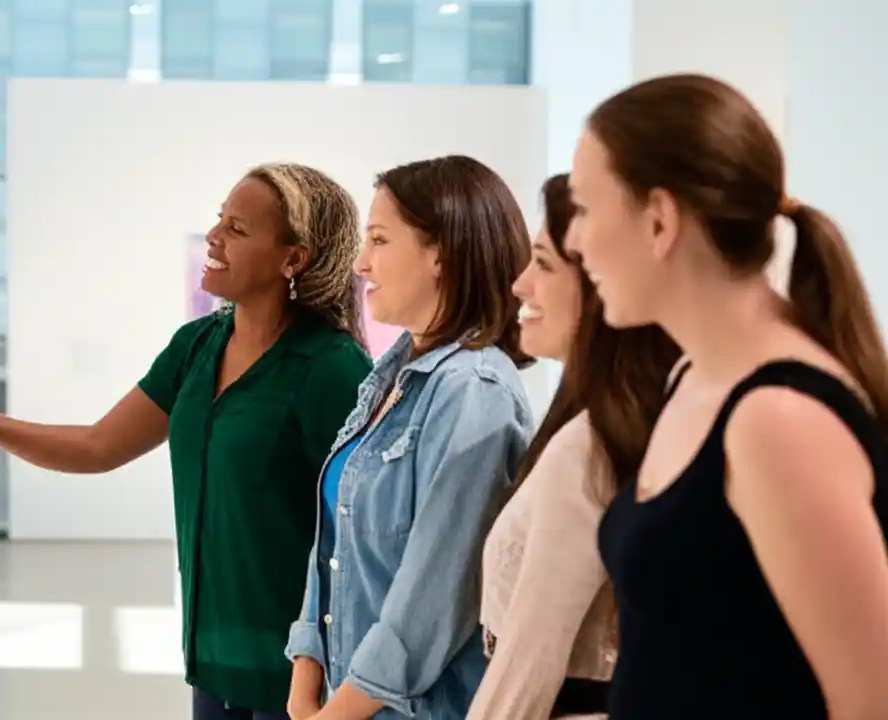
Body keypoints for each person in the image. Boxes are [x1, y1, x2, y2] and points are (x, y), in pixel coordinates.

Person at [0, 163, 373, 720]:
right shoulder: (198, 345)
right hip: (210, 660)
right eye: (219, 220)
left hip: (296, 677)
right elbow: (98, 446)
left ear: (294, 259)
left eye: (238, 229)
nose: (215, 237)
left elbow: (359, 538)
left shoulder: (333, 369)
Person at [567, 73, 888, 718]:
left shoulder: (779, 421)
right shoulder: (693, 377)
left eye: (583, 208)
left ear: (659, 220)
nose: (574, 240)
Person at [283, 156, 535, 720]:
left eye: (379, 240)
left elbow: (434, 600)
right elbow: (335, 547)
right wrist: (306, 676)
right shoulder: (390, 376)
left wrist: (333, 714)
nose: (360, 262)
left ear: (440, 254)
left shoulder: (475, 391)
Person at [467, 174, 680, 719]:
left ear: (600, 279)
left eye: (542, 263)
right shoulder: (630, 424)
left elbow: (529, 662)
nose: (518, 285)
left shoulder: (589, 449)